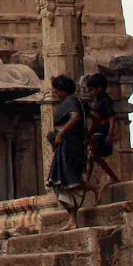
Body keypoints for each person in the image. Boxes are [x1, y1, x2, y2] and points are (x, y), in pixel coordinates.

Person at [46, 75, 88, 203]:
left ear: (63, 90)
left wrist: (60, 134)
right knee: (59, 184)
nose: (56, 94)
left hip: (70, 145)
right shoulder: (68, 102)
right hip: (64, 146)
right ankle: (72, 218)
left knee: (70, 181)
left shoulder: (71, 101)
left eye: (57, 91)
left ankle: (91, 189)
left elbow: (75, 117)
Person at [83, 74, 120, 190]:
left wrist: (110, 133)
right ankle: (88, 180)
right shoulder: (96, 100)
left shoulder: (105, 99)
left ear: (99, 88)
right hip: (96, 130)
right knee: (93, 157)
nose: (90, 92)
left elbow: (111, 118)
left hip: (102, 131)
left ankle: (87, 180)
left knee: (93, 156)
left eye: (92, 89)